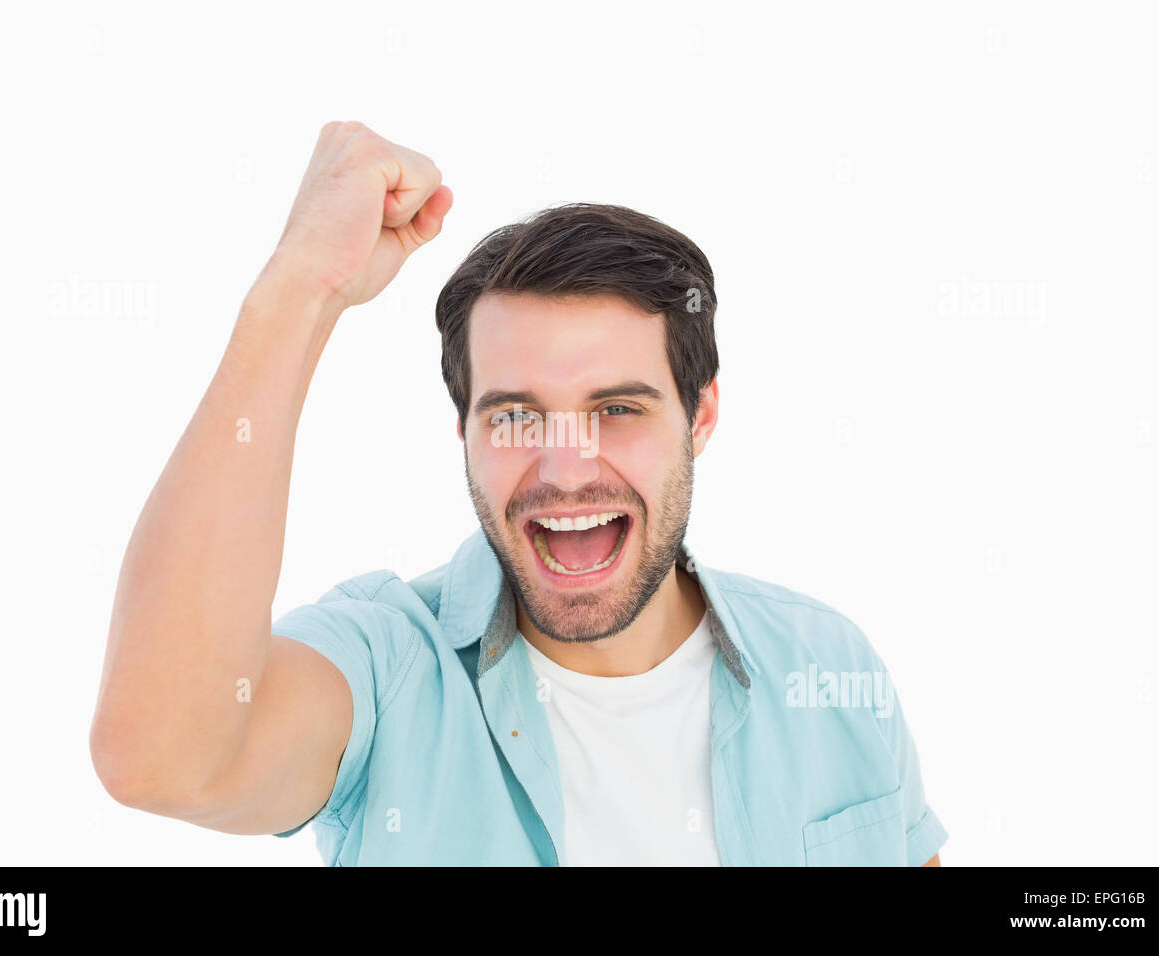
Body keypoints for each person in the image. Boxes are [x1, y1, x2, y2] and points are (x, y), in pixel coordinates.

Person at [90, 120, 948, 866]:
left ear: (702, 414)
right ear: (462, 431)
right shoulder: (391, 681)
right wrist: (301, 285)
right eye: (514, 416)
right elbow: (160, 755)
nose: (566, 467)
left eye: (615, 409)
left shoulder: (828, 664)